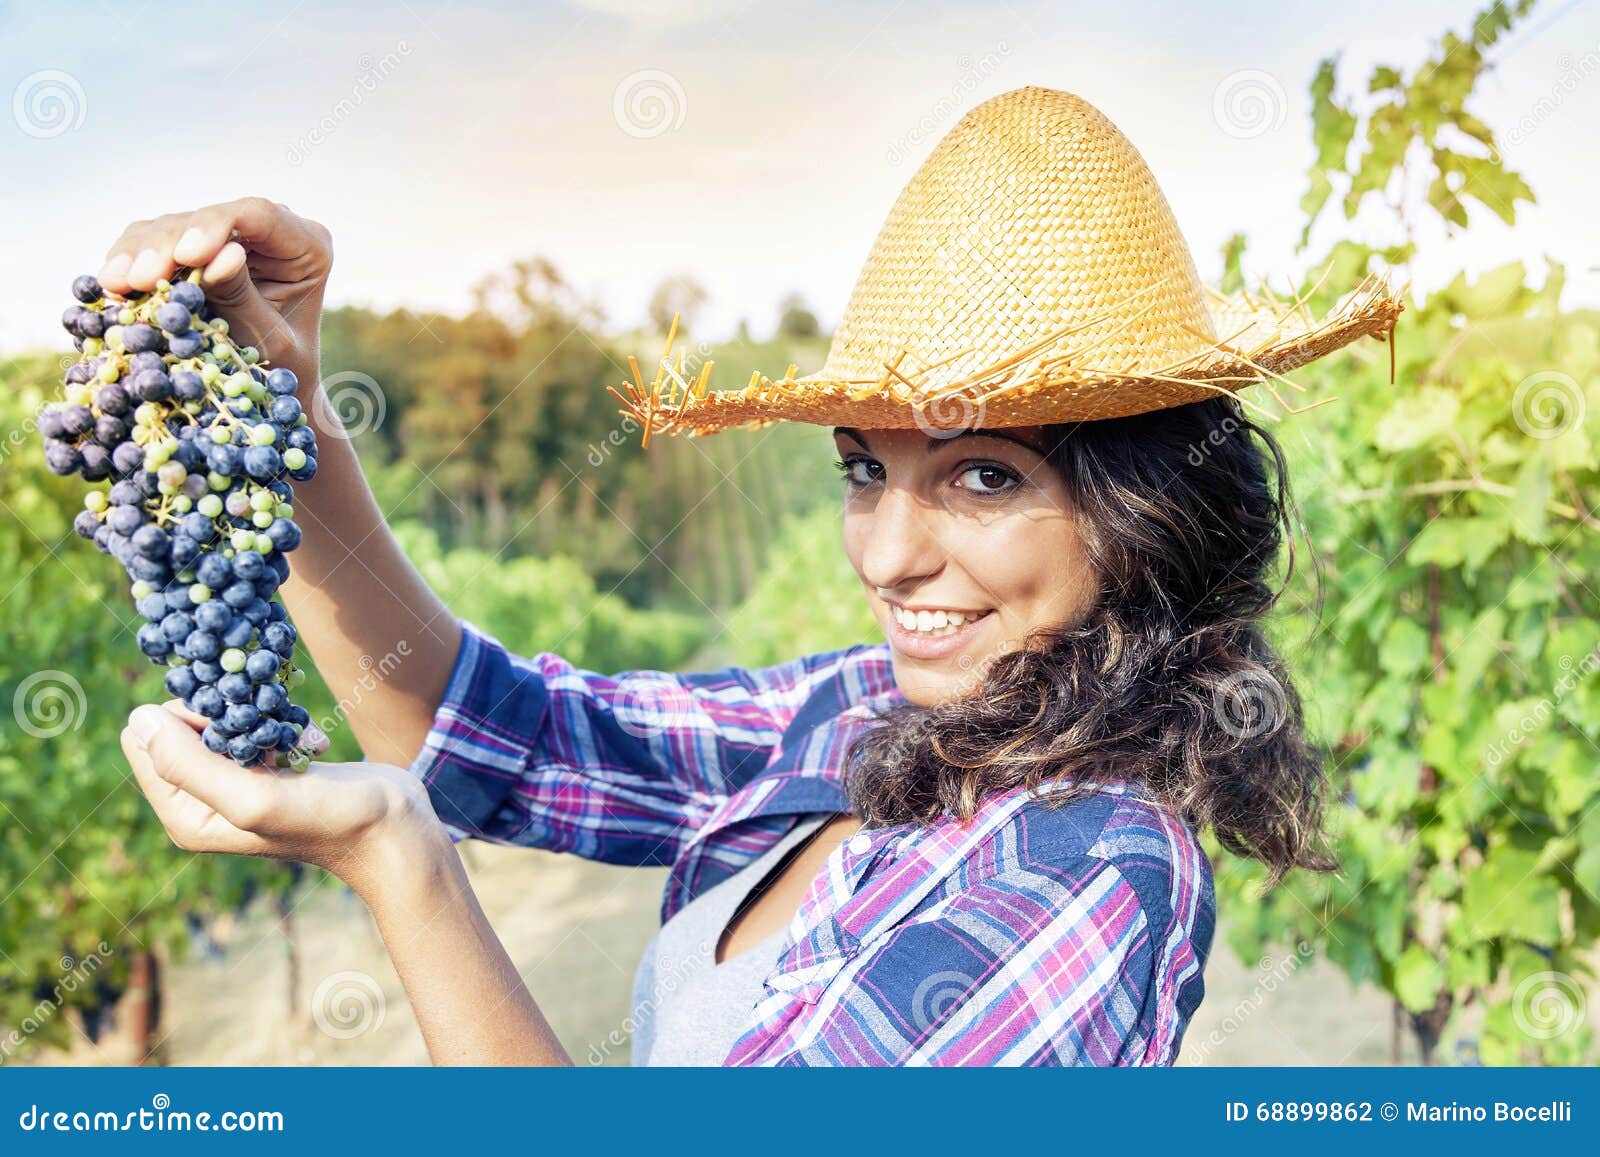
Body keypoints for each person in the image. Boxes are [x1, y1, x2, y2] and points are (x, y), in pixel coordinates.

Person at [113, 87, 1400, 1066]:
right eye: (863, 471)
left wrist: (405, 864)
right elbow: (497, 736)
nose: (886, 554)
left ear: (1146, 512)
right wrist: (285, 402)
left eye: (984, 476)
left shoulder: (1089, 879)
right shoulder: (863, 712)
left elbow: (430, 792)